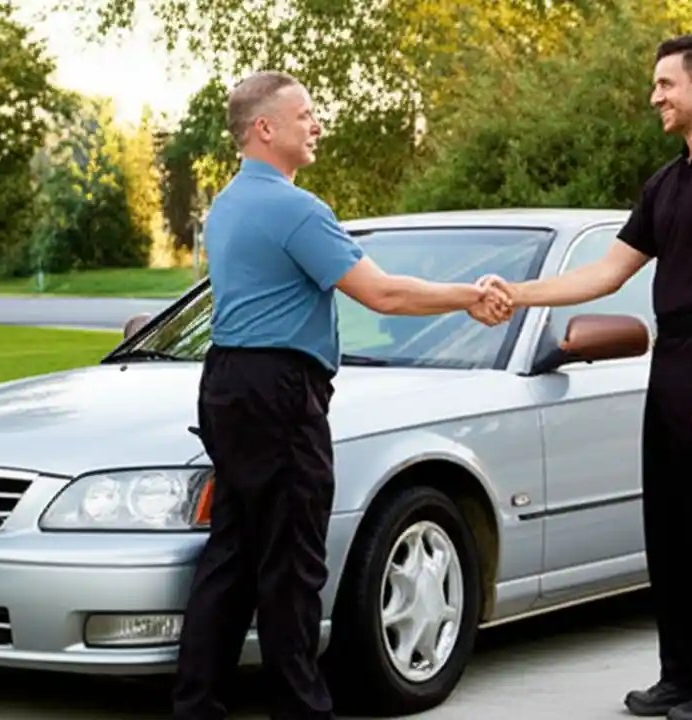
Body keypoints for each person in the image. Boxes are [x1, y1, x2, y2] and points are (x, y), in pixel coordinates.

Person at [170, 70, 510, 720]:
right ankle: (301, 709)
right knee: (292, 561)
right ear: (264, 128)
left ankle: (198, 704)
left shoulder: (230, 204)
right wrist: (469, 296)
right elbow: (381, 294)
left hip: (227, 384)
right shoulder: (294, 208)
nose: (316, 124)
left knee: (234, 551)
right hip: (279, 394)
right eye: (304, 115)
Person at [484, 35, 692, 720]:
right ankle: (682, 676)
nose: (655, 97)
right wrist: (517, 295)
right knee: (671, 528)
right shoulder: (668, 182)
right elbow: (608, 272)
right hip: (673, 360)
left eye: (665, 84)